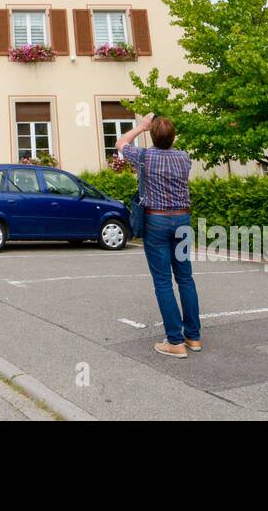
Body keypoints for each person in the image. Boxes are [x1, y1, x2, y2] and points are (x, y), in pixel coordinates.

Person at [116, 114, 201, 359]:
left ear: (152, 135)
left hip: (156, 220)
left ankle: (175, 341)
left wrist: (140, 126)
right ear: (174, 137)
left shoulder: (144, 156)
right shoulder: (184, 158)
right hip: (182, 219)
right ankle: (193, 337)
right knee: (186, 278)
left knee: (163, 281)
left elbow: (120, 144)